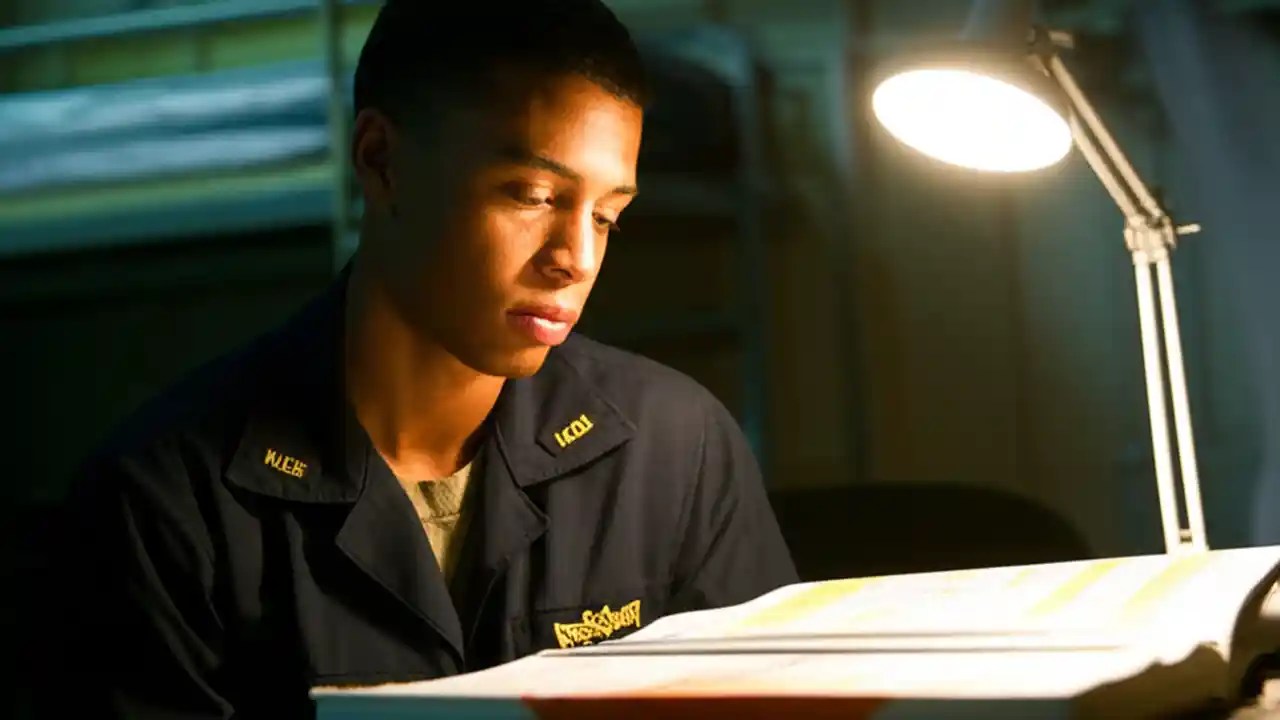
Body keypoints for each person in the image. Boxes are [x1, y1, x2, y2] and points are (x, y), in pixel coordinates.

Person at [32, 1, 797, 717]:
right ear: (381, 160)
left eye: (608, 215)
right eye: (531, 194)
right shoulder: (164, 500)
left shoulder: (678, 446)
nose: (577, 258)